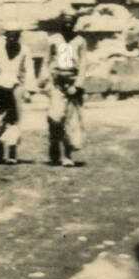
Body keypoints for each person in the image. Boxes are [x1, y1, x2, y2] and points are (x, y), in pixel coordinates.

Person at [0, 21, 37, 164]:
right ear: (5, 35)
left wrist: (29, 90)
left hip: (14, 87)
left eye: (15, 35)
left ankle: (12, 153)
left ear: (19, 35)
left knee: (14, 119)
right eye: (9, 35)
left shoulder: (24, 50)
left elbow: (29, 70)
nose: (12, 38)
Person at [42, 11, 87, 167]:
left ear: (75, 23)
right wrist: (46, 82)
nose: (68, 24)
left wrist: (77, 86)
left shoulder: (80, 41)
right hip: (56, 83)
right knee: (55, 117)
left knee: (70, 120)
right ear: (61, 23)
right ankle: (54, 149)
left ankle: (67, 155)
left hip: (72, 83)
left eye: (71, 22)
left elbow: (83, 65)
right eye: (65, 22)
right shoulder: (53, 40)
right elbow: (46, 62)